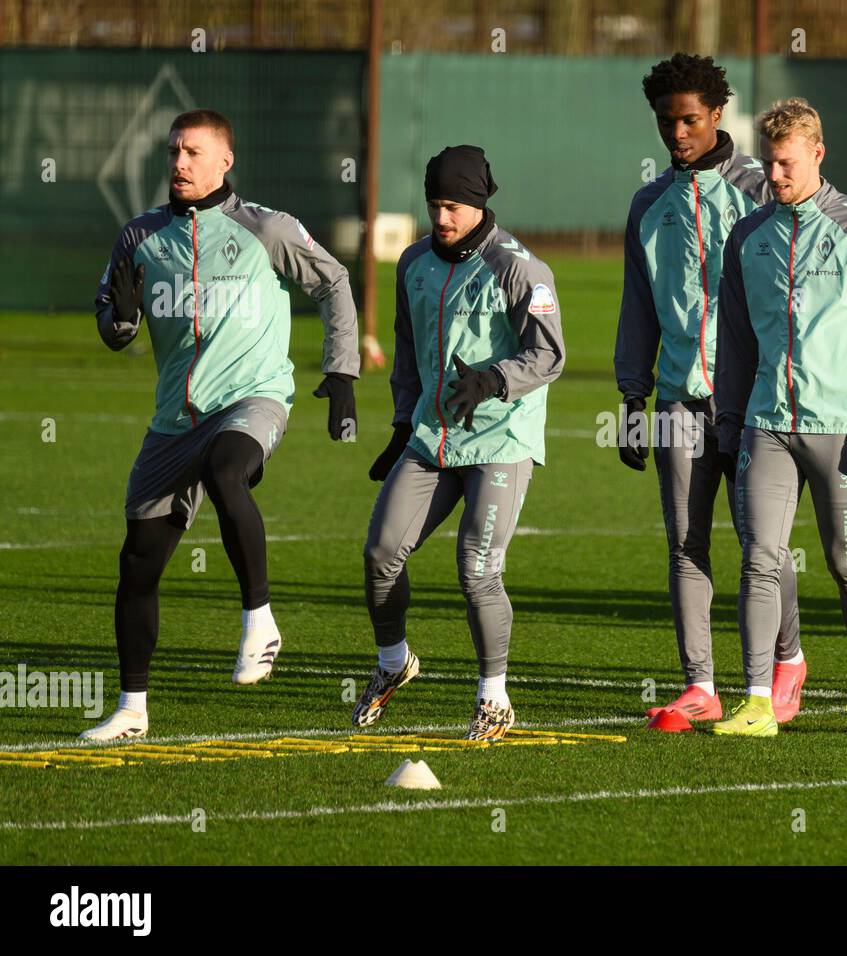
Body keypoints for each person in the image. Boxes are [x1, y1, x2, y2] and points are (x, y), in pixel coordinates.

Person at [84, 108, 359, 741]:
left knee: (226, 470)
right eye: (174, 151)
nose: (179, 162)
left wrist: (341, 375)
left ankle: (259, 621)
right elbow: (113, 325)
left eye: (193, 152)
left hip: (252, 398)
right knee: (138, 563)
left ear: (224, 161)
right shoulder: (140, 236)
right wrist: (119, 321)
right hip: (173, 419)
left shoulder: (266, 228)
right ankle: (131, 709)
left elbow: (334, 282)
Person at [713, 98, 847, 737]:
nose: (774, 176)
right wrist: (728, 419)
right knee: (759, 557)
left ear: (818, 154)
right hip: (767, 424)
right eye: (769, 163)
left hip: (846, 427)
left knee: (846, 565)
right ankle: (755, 702)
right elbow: (737, 341)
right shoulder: (747, 236)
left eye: (787, 164)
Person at [614, 53, 806, 728]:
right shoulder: (647, 205)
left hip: (753, 399)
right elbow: (638, 305)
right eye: (667, 122)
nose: (678, 133)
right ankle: (701, 684)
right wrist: (632, 398)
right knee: (686, 544)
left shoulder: (763, 188)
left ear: (718, 114)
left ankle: (788, 662)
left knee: (762, 545)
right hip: (676, 400)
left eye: (690, 119)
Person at [352, 146, 565, 741]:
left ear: (478, 204)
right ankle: (394, 665)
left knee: (477, 568)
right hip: (431, 437)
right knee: (380, 554)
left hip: (502, 438)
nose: (441, 218)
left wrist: (494, 380)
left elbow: (550, 355)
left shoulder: (521, 268)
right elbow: (406, 350)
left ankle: (494, 697)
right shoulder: (413, 262)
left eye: (452, 206)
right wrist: (401, 425)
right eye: (434, 205)